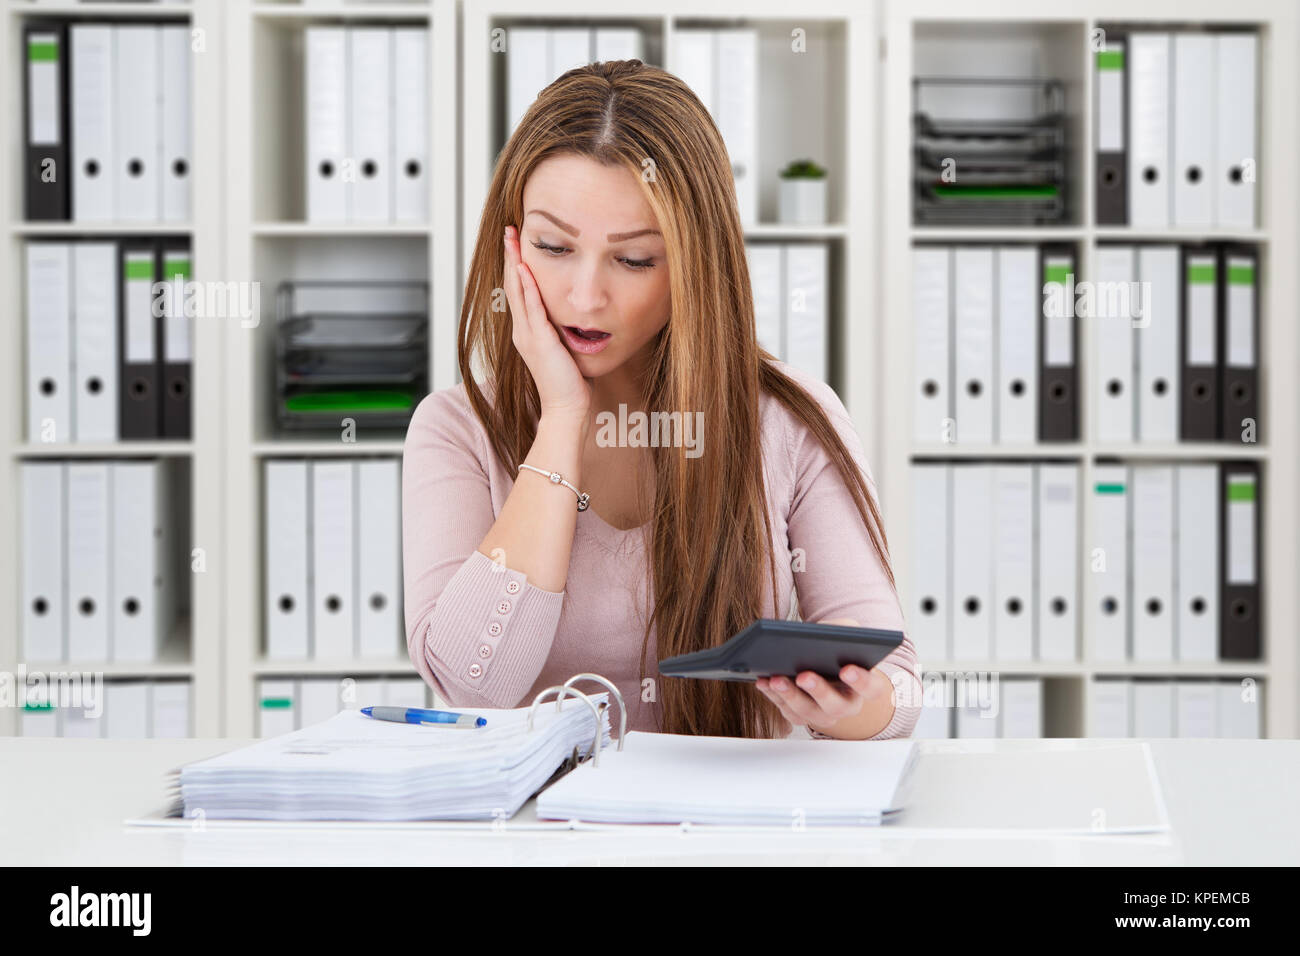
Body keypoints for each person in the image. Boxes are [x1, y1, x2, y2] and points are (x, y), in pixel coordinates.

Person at [402, 59, 920, 740]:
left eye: (636, 260)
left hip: (724, 835)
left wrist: (859, 706)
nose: (586, 296)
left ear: (695, 266)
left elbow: (898, 681)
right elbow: (472, 682)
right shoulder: (456, 429)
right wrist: (561, 419)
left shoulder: (791, 425)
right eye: (553, 246)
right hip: (535, 839)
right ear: (510, 244)